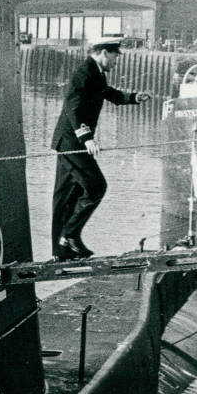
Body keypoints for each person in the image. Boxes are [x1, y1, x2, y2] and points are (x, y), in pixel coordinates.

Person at [50, 36, 151, 261]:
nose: (116, 63)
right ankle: (69, 235)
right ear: (104, 52)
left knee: (67, 195)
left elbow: (108, 93)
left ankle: (63, 249)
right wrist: (86, 138)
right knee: (95, 186)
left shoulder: (96, 73)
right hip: (71, 143)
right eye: (115, 57)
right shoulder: (84, 73)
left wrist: (134, 97)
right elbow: (73, 107)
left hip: (70, 142)